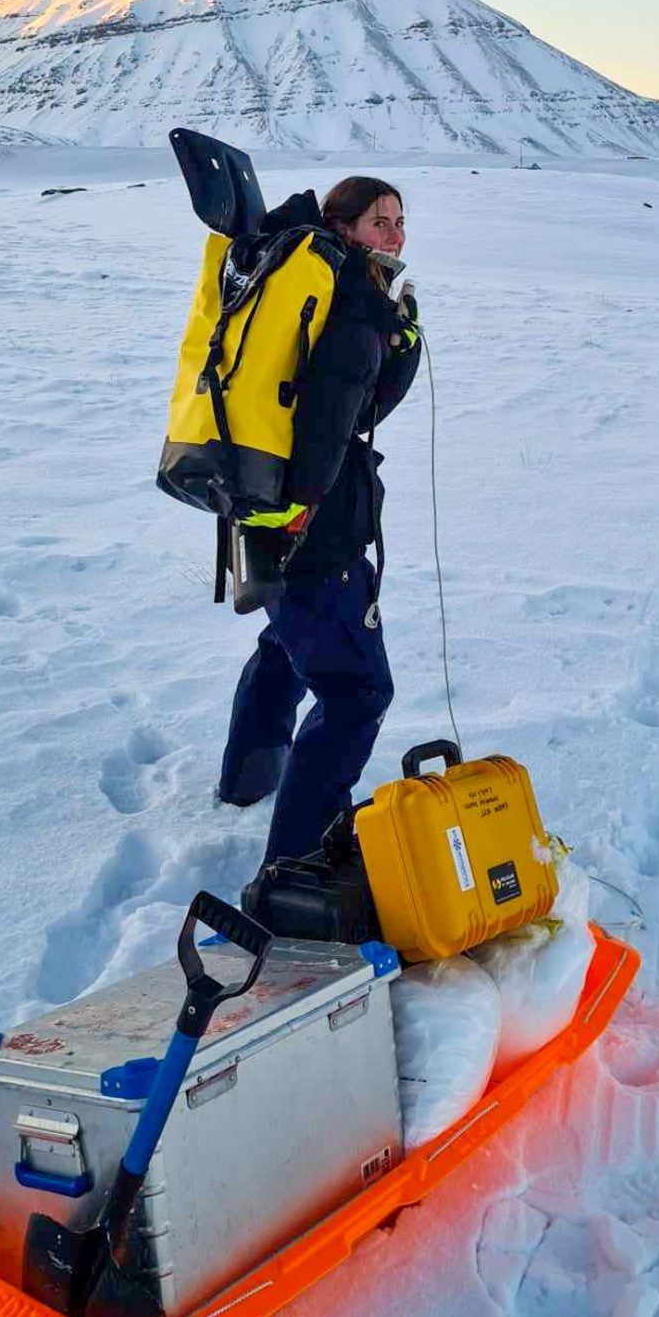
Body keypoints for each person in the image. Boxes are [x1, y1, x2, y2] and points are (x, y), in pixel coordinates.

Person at [217, 177, 422, 865]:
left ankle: (247, 781)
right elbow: (334, 419)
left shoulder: (311, 281)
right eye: (379, 222)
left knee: (287, 645)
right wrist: (302, 511)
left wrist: (398, 342)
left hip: (264, 505)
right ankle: (296, 867)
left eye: (399, 221)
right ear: (343, 225)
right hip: (313, 528)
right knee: (357, 692)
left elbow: (353, 402)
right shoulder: (350, 300)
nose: (395, 235)